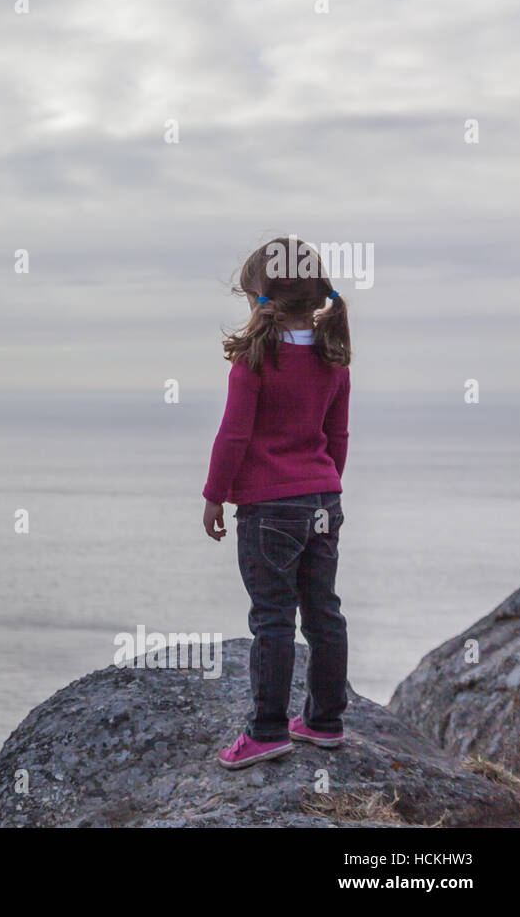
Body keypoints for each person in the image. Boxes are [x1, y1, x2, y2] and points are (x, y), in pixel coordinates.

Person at [201, 237, 352, 770]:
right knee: (324, 612)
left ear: (259, 298)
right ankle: (324, 721)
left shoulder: (255, 359)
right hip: (323, 503)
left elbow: (233, 438)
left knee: (271, 619)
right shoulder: (334, 358)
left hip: (271, 510)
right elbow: (338, 437)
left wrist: (214, 496)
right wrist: (324, 489)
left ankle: (267, 731)